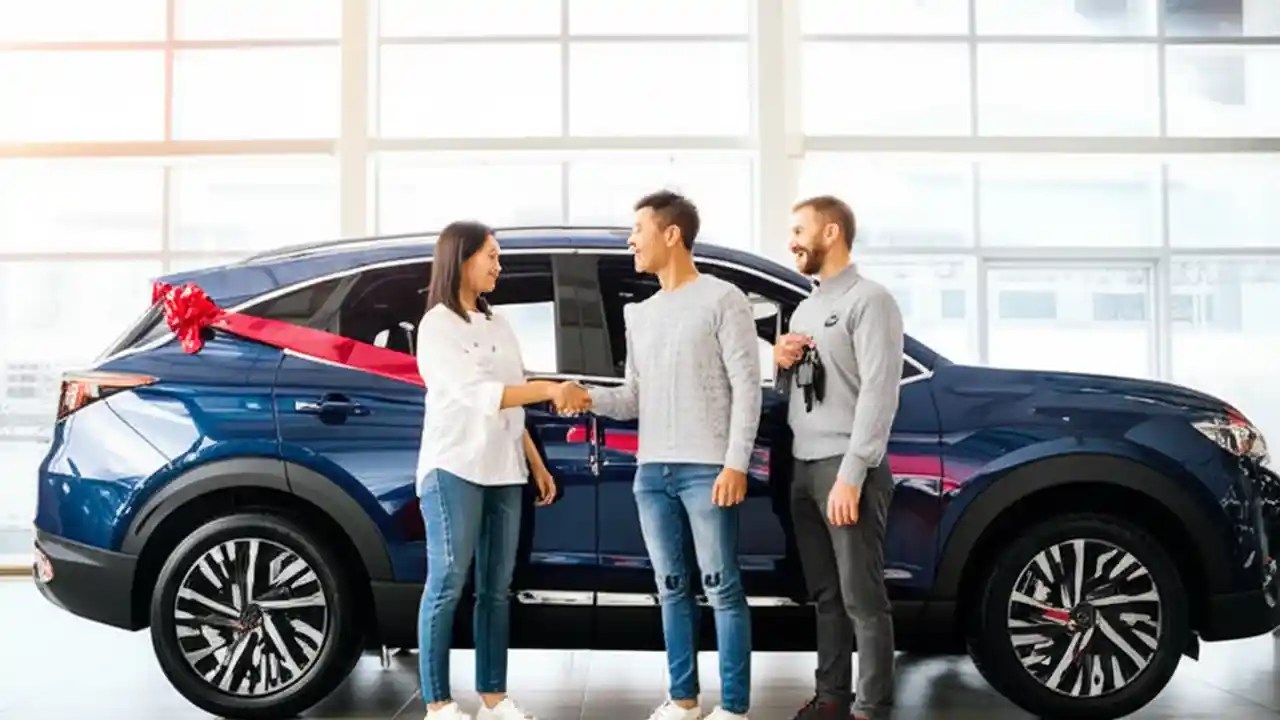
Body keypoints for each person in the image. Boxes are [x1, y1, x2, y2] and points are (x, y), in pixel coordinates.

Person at [558, 190, 762, 720]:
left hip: (707, 469)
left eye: (638, 230)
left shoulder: (723, 299)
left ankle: (734, 708)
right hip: (651, 473)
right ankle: (684, 700)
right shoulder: (640, 315)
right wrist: (587, 397)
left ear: (671, 234)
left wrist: (735, 463)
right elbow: (633, 399)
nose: (631, 241)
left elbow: (747, 387)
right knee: (671, 589)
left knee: (721, 587)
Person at [415, 220, 581, 720]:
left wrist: (535, 461)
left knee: (495, 589)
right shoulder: (437, 326)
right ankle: (438, 703)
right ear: (462, 258)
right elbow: (480, 394)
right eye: (491, 255)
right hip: (455, 466)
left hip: (504, 470)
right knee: (447, 581)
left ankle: (493, 698)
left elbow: (512, 397)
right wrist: (551, 389)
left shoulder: (499, 325)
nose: (498, 265)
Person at [774, 195, 903, 720]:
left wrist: (852, 474)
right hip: (804, 466)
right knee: (826, 596)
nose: (791, 242)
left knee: (862, 599)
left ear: (831, 232)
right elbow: (802, 393)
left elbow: (879, 393)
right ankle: (832, 699)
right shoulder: (806, 307)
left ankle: (871, 708)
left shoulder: (871, 301)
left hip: (846, 470)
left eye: (799, 231)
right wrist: (781, 362)